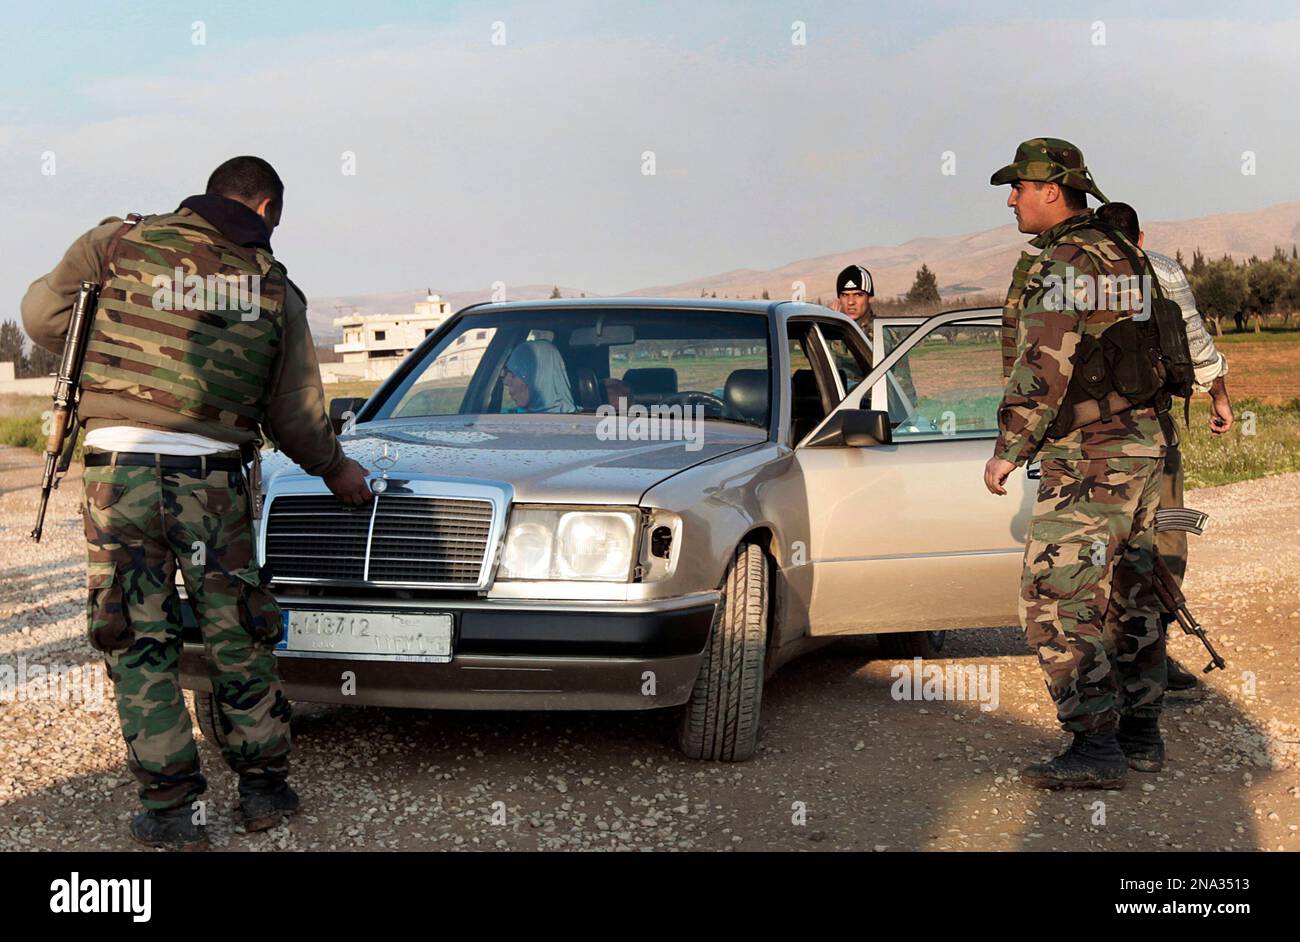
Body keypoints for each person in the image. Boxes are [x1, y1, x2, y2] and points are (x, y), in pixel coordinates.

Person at [21, 156, 373, 850]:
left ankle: (173, 810)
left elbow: (40, 317)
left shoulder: (115, 244)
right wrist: (337, 470)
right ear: (266, 208)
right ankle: (264, 790)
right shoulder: (273, 288)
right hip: (213, 479)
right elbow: (296, 414)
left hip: (118, 475)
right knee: (236, 628)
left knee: (136, 634)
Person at [984, 138, 1168, 789]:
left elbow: (1043, 364)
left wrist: (1009, 450)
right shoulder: (1124, 252)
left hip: (1092, 456)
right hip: (1146, 446)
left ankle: (1096, 746)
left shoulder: (1064, 260)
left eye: (1018, 188)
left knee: (1054, 597)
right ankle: (1141, 733)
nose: (1011, 199)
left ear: (1051, 190)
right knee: (1131, 594)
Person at [1095, 201, 1235, 691]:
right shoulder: (1164, 270)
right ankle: (1149, 654)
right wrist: (1220, 397)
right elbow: (1197, 346)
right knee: (1165, 540)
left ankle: (1107, 660)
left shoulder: (1071, 276)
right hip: (1153, 435)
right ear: (1140, 236)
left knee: (1101, 549)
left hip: (1090, 445)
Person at [502, 339, 577, 413]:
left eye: (513, 376)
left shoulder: (578, 423)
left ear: (540, 377)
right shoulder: (510, 418)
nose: (510, 391)